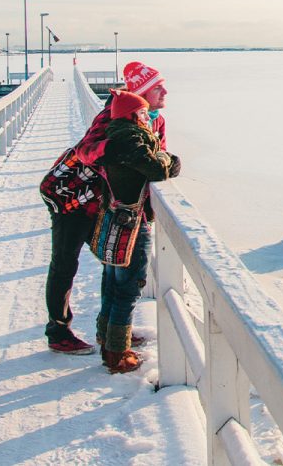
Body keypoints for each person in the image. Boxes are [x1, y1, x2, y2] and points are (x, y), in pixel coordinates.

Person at [43, 61, 172, 354]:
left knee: (112, 262)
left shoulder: (155, 120)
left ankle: (111, 329)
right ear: (141, 94)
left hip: (106, 203)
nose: (165, 91)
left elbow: (158, 159)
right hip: (74, 199)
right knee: (65, 263)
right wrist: (115, 151)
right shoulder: (114, 116)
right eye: (157, 88)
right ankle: (58, 331)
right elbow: (85, 151)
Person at [96, 87, 179, 373]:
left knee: (112, 281)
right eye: (143, 113)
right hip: (130, 223)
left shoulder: (115, 135)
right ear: (133, 115)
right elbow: (157, 169)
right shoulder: (129, 138)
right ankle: (117, 353)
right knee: (129, 286)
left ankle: (107, 336)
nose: (148, 117)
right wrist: (170, 160)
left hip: (115, 218)